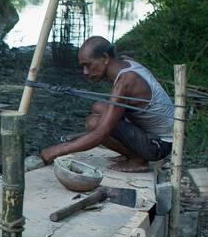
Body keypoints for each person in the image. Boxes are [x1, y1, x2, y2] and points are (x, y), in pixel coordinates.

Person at [38, 36, 175, 171]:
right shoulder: (126, 64)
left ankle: (138, 160)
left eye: (88, 65)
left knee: (94, 123)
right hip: (154, 135)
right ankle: (130, 153)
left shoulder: (125, 83)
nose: (85, 72)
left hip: (159, 145)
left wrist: (55, 150)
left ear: (105, 58)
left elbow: (101, 134)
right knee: (98, 107)